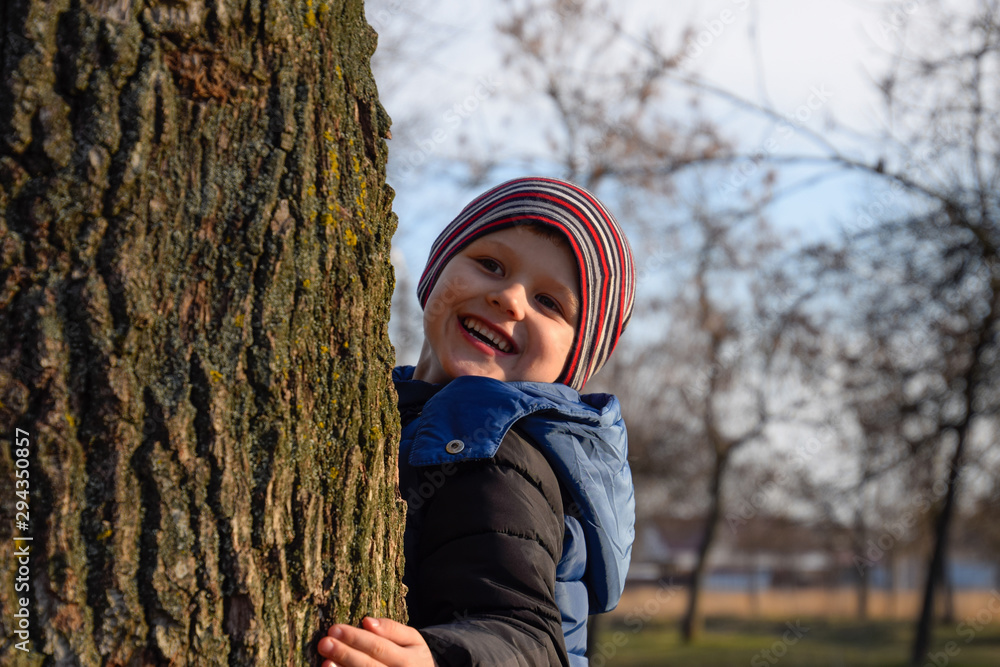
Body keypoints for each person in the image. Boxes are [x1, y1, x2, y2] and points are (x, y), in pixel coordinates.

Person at [318, 177, 636, 666]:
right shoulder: (391, 405)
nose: (510, 297)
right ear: (437, 270)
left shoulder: (497, 450)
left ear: (572, 364)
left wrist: (439, 659)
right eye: (490, 265)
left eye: (549, 302)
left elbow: (527, 636)